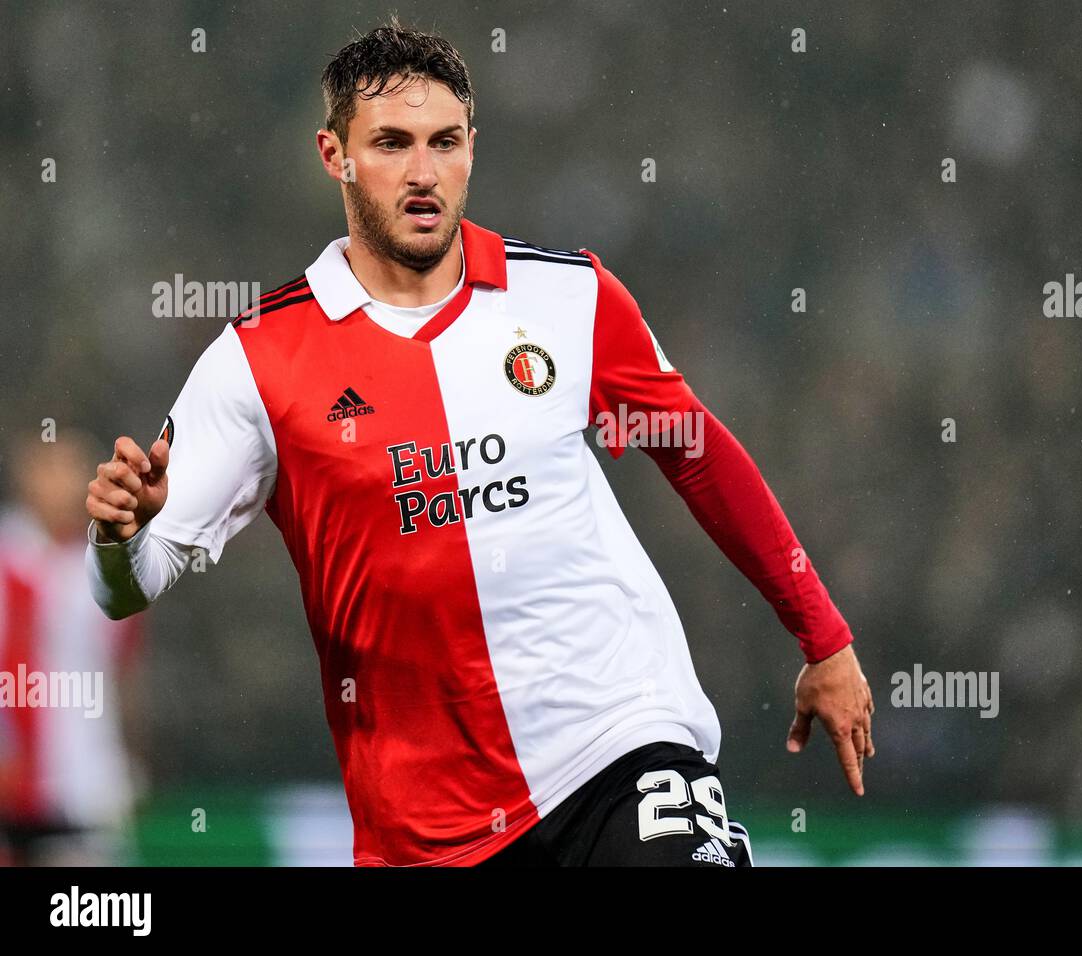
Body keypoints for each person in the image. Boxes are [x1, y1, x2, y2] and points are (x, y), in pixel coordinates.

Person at [84, 19, 874, 867]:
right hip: (426, 832)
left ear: (472, 148)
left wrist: (824, 638)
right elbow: (127, 589)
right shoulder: (256, 360)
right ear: (334, 155)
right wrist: (119, 537)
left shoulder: (568, 298)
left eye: (445, 142)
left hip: (618, 743)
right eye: (391, 143)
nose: (423, 173)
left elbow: (697, 456)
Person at [1, 429, 143, 865]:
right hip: (12, 787)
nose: (59, 481)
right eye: (48, 467)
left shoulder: (104, 562)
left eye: (69, 468)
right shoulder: (10, 556)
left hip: (85, 789)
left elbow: (124, 669)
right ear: (26, 475)